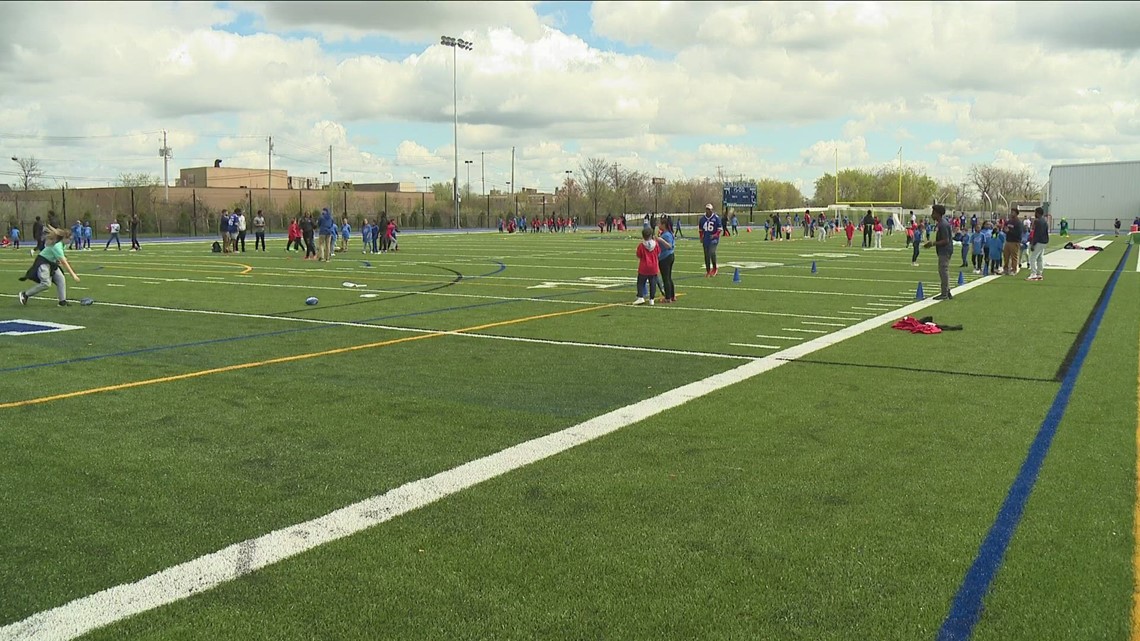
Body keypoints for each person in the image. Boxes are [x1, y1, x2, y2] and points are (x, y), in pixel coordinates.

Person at [18, 225, 80, 307]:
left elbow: (60, 258)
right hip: (43, 262)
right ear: (65, 238)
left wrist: (58, 260)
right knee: (46, 283)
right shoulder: (57, 246)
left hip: (51, 263)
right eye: (70, 239)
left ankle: (62, 302)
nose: (71, 241)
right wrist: (74, 275)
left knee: (61, 279)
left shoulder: (63, 245)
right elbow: (64, 262)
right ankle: (25, 294)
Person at [924, 204, 953, 300]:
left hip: (945, 251)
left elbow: (946, 240)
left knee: (943, 271)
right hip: (943, 251)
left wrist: (932, 243)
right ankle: (947, 292)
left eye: (933, 213)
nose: (932, 214)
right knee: (943, 271)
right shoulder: (941, 224)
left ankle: (944, 293)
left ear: (938, 214)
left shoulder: (943, 225)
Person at [632, 226, 660, 306]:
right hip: (653, 267)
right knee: (653, 284)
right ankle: (652, 299)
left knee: (640, 283)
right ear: (651, 235)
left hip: (644, 267)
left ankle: (640, 297)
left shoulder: (641, 245)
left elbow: (638, 255)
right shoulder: (656, 244)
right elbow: (658, 253)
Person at [656, 216, 676, 303]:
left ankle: (668, 297)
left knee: (666, 278)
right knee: (669, 277)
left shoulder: (667, 234)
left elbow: (669, 246)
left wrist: (660, 240)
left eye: (660, 223)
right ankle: (672, 295)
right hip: (669, 256)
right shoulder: (667, 233)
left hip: (665, 257)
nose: (658, 225)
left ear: (664, 225)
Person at [698, 203, 721, 277]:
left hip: (714, 239)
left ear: (712, 210)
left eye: (709, 209)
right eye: (707, 209)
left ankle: (714, 268)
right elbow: (701, 230)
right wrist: (701, 237)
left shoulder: (716, 218)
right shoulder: (702, 219)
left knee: (712, 252)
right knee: (706, 255)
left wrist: (715, 235)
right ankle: (708, 271)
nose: (708, 211)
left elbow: (719, 229)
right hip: (706, 239)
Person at [1027, 207, 1049, 281]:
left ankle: (1033, 273)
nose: (1035, 214)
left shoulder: (1038, 221)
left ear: (1038, 213)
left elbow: (1037, 234)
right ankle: (1039, 273)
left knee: (1032, 257)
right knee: (1040, 258)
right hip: (1044, 241)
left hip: (1039, 241)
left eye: (1035, 212)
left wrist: (1033, 243)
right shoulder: (1045, 221)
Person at [1002, 211, 1023, 276]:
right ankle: (1006, 269)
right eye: (1011, 212)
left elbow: (1018, 233)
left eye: (1013, 212)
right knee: (1006, 256)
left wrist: (1009, 231)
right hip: (1008, 241)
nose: (1011, 214)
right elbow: (1004, 228)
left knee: (1014, 256)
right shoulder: (1009, 221)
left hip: (1015, 241)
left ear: (1016, 214)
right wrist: (1004, 230)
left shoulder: (1018, 222)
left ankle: (1014, 270)